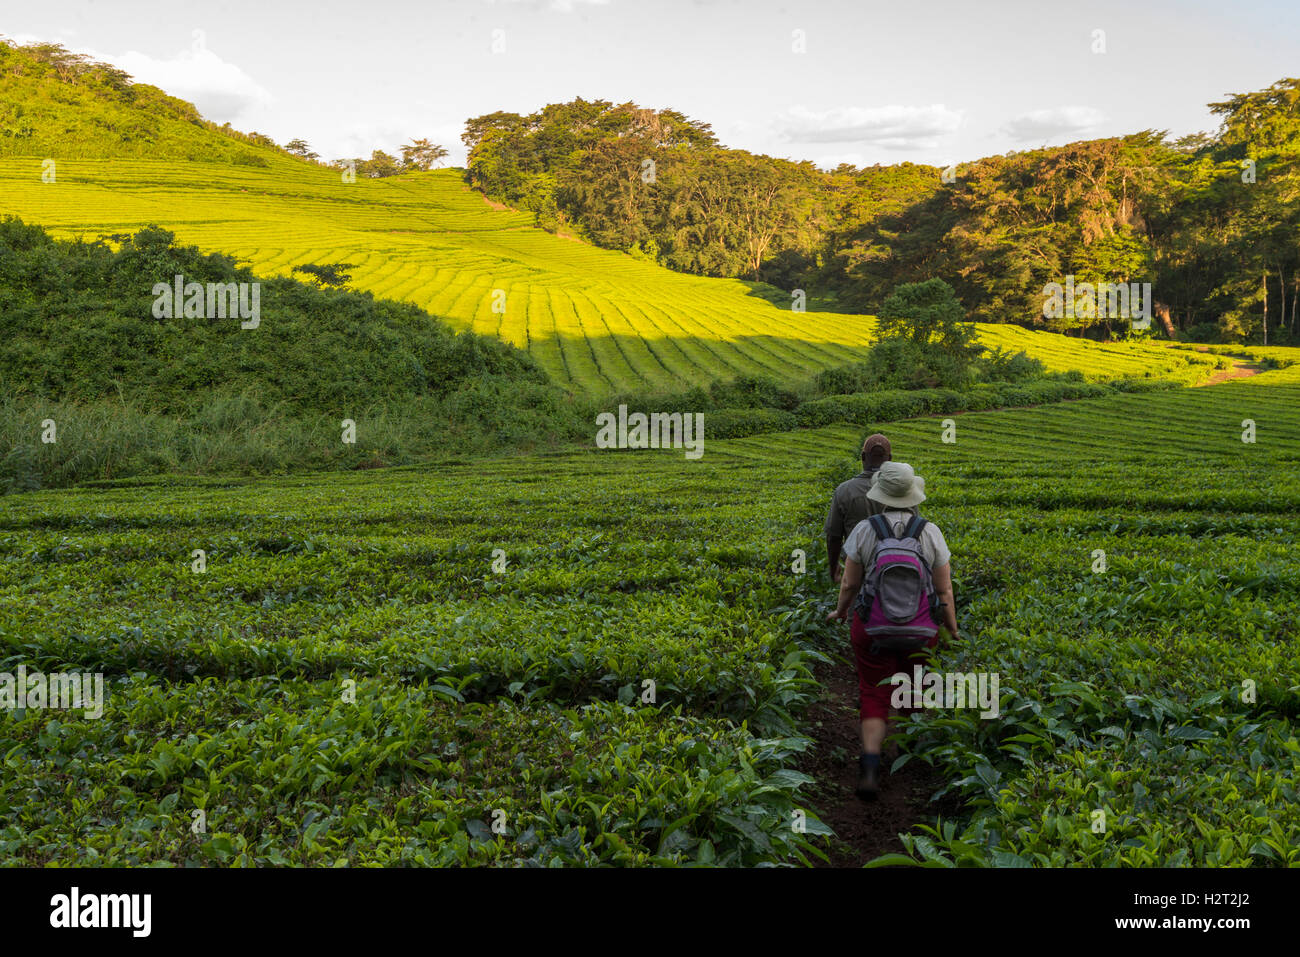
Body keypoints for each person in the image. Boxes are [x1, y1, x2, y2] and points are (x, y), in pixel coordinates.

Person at [826, 461, 960, 801]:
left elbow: (850, 582)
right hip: (920, 629)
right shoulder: (929, 531)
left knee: (873, 690)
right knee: (913, 686)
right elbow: (944, 591)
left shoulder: (866, 530)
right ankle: (909, 755)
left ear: (881, 495)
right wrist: (952, 629)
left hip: (873, 627)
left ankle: (870, 763)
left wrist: (841, 612)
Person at [824, 433, 892, 584]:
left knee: (855, 606)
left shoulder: (845, 490)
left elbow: (833, 537)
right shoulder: (903, 491)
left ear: (862, 456)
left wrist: (833, 569)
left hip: (856, 571)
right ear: (890, 459)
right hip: (895, 571)